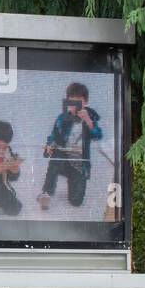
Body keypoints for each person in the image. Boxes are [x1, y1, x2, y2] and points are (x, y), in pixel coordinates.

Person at [38, 82, 102, 210]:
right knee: (56, 155)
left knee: (76, 202)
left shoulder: (90, 117)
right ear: (67, 103)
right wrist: (49, 146)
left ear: (86, 102)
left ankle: (73, 184)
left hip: (79, 164)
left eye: (79, 102)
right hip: (63, 159)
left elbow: (98, 135)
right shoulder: (62, 118)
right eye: (72, 103)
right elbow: (53, 136)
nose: (75, 107)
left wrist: (88, 121)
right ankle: (46, 193)